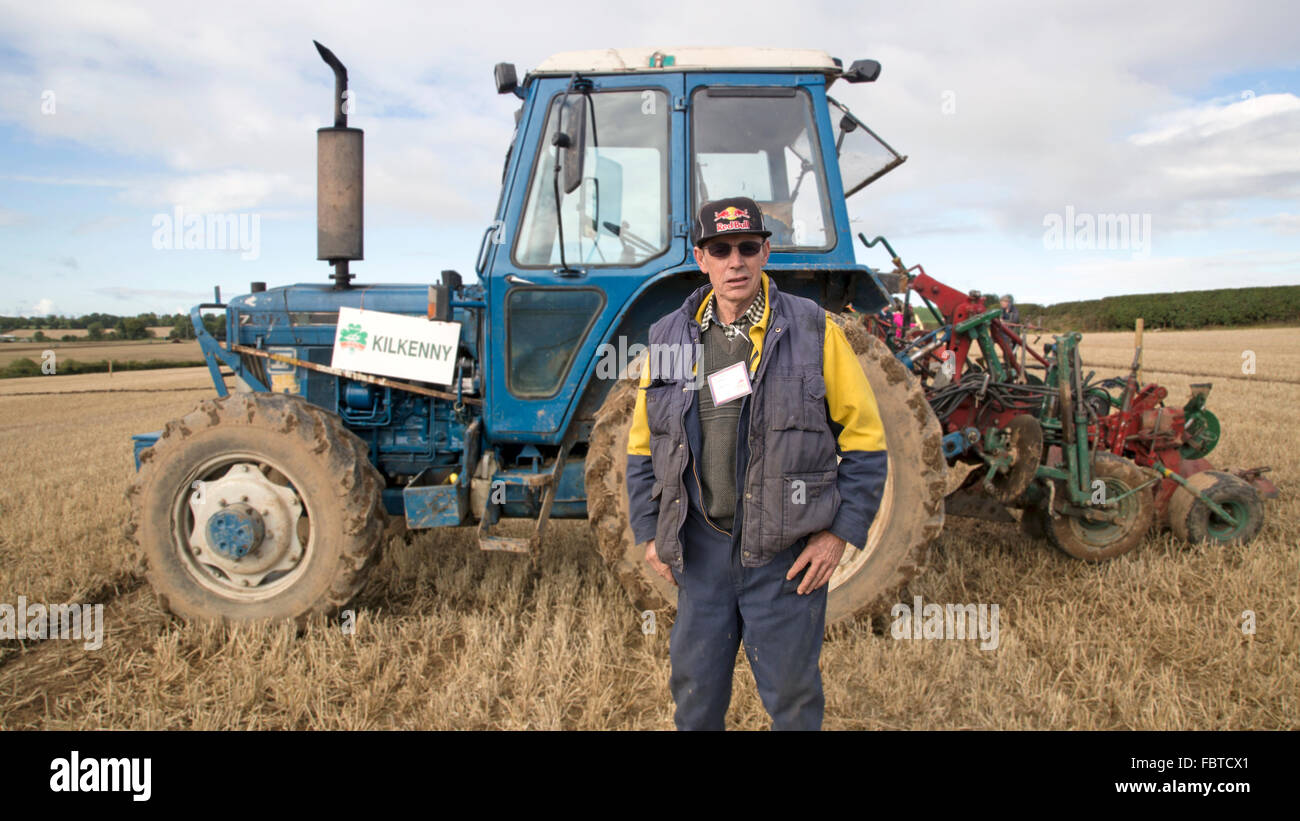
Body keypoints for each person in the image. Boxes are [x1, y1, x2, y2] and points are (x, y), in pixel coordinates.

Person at [624, 196, 889, 730]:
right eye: (720, 249)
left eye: (747, 247)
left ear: (766, 251)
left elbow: (864, 440)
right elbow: (641, 445)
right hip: (702, 554)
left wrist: (838, 533)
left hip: (783, 558)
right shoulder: (670, 338)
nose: (735, 261)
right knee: (695, 700)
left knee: (792, 702)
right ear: (701, 259)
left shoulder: (814, 330)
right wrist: (651, 530)